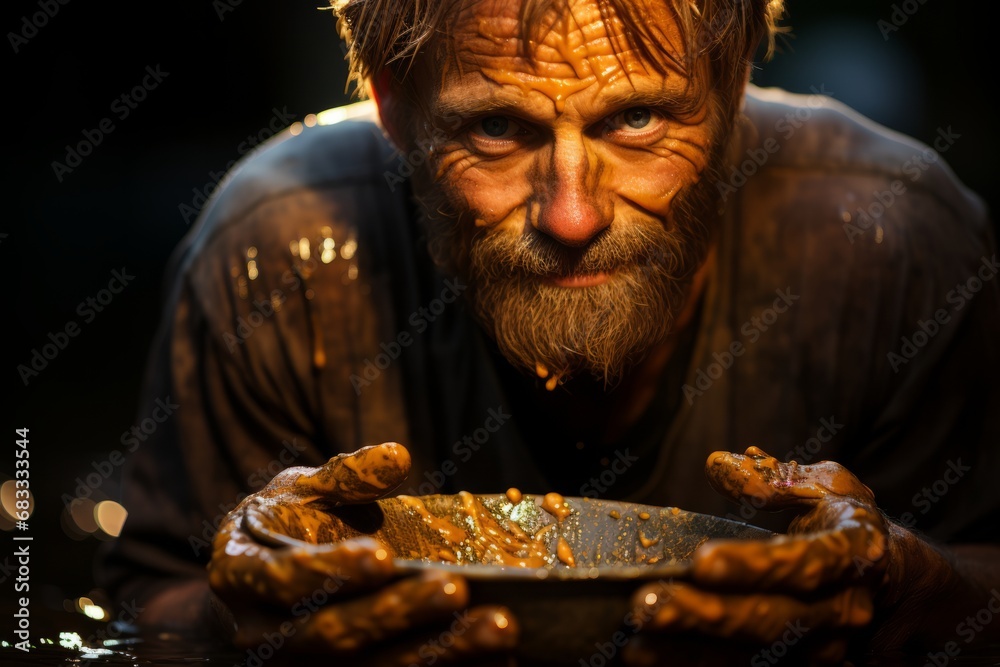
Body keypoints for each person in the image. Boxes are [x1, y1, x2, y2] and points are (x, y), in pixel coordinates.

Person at [98, 0, 1000, 664]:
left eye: (639, 118)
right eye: (496, 128)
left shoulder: (894, 240)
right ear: (390, 107)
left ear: (734, 87)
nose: (572, 216)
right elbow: (136, 604)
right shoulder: (280, 252)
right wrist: (237, 616)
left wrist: (904, 591)